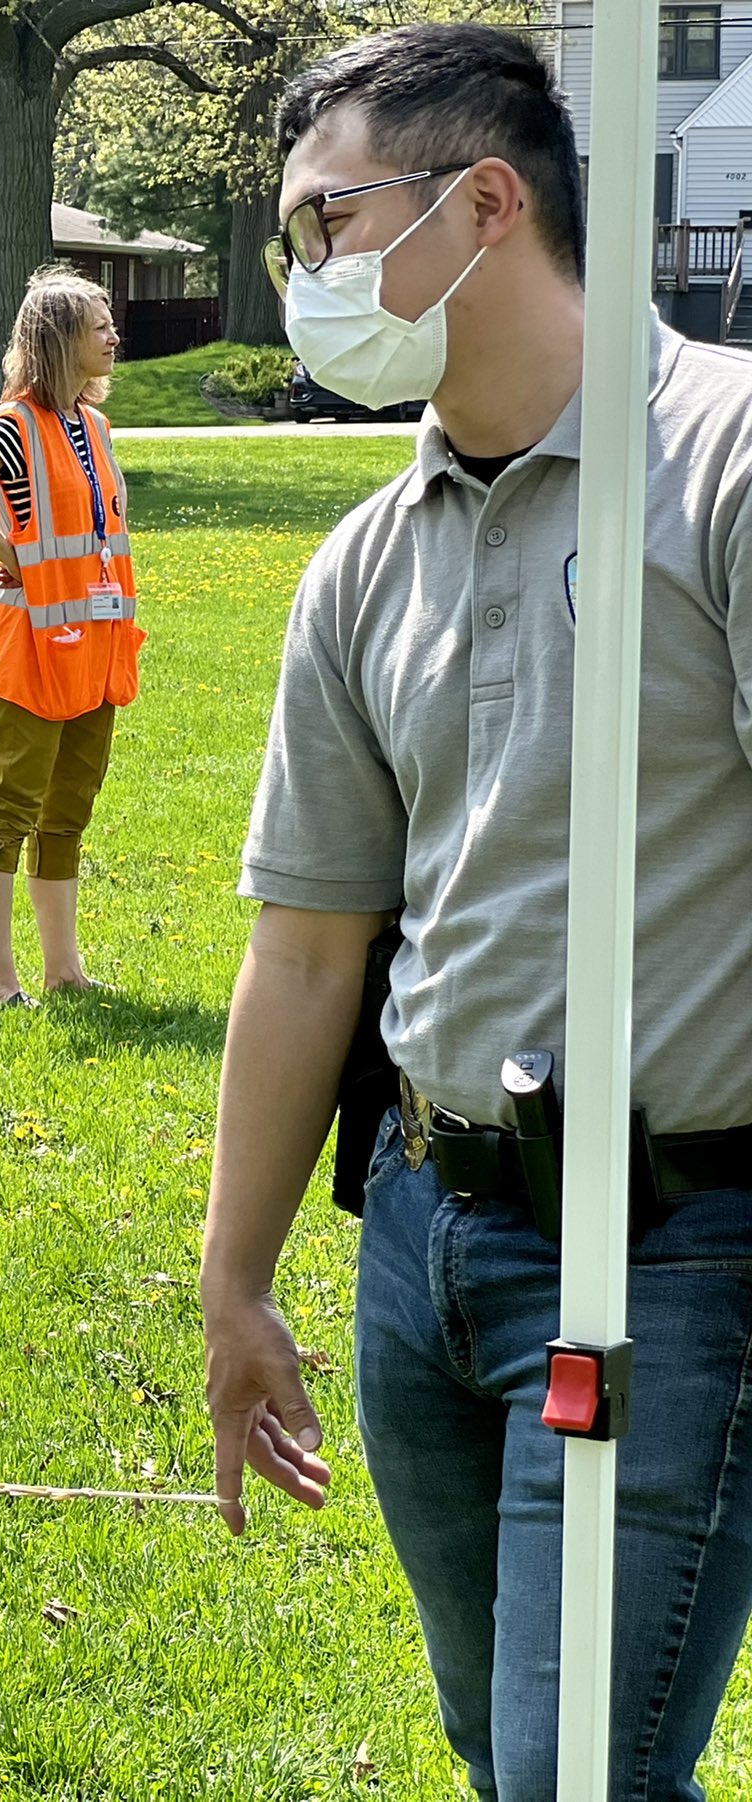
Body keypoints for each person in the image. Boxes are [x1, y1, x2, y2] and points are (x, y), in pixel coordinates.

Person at [199, 24, 752, 1801]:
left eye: (322, 226)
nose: (304, 281)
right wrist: (232, 1279)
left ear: (483, 201)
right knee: (502, 1742)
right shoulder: (365, 559)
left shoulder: (721, 469)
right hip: (421, 1240)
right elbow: (302, 949)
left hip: (667, 1252)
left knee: (568, 1771)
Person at [0, 269, 140, 1005]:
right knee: (9, 808)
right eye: (98, 326)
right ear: (57, 341)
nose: (114, 336)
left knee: (67, 811)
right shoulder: (17, 425)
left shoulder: (95, 424)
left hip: (93, 643)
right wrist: (9, 555)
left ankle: (63, 971)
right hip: (31, 645)